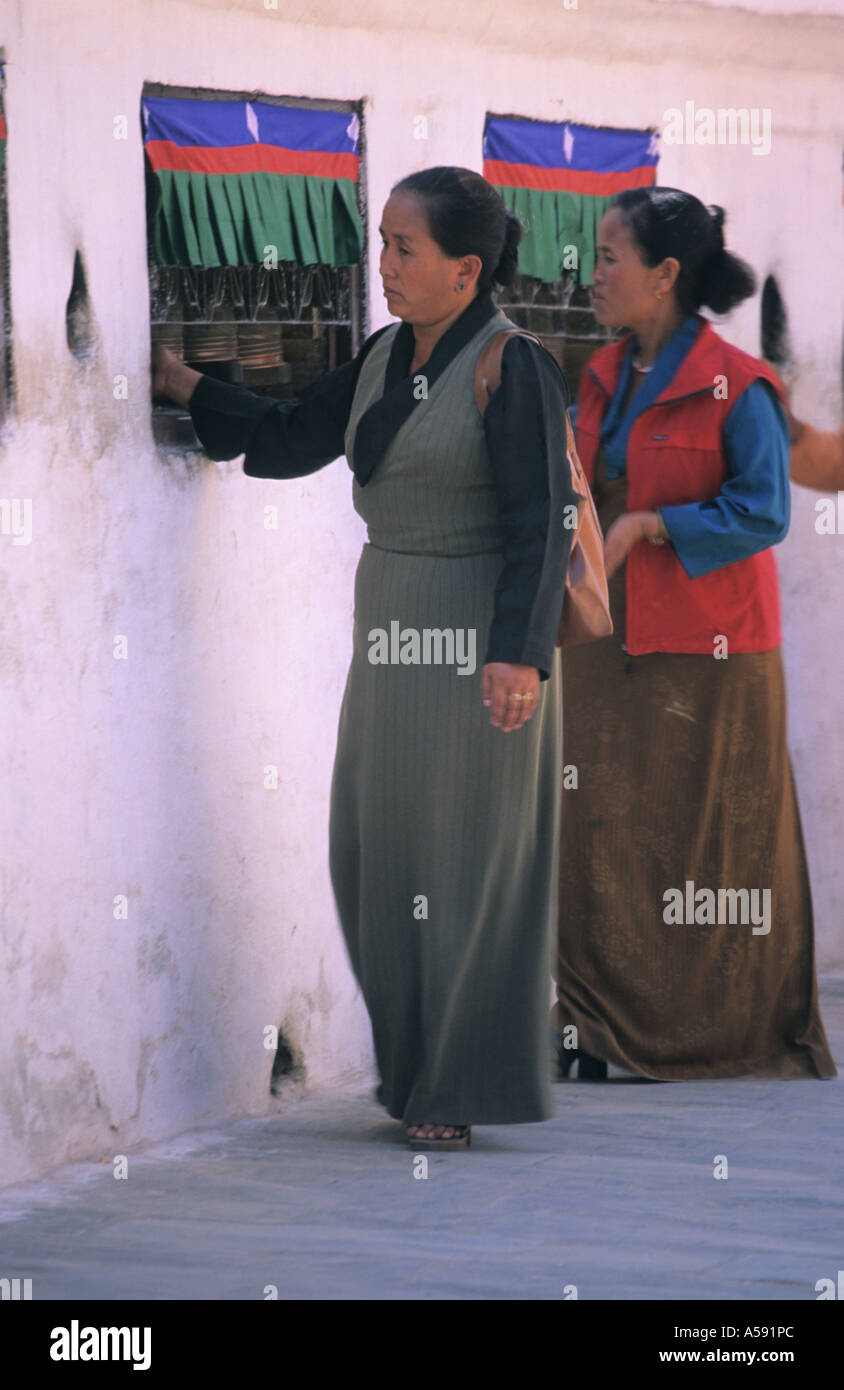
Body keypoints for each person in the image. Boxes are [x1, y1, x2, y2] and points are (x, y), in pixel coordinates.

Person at [152, 166, 578, 1148]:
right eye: (379, 242)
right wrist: (184, 385)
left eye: (403, 248)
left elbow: (541, 521)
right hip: (389, 634)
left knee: (462, 860)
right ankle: (417, 1068)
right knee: (376, 853)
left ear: (466, 270)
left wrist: (518, 656)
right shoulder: (387, 355)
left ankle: (454, 1084)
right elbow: (299, 434)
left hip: (479, 643)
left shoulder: (512, 369)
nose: (380, 265)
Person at [553, 186, 836, 1083]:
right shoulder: (600, 375)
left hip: (715, 649)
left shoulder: (738, 383)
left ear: (667, 273)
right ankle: (599, 1029)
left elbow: (764, 509)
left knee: (710, 840)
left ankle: (724, 1033)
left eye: (610, 258)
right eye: (593, 257)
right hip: (608, 639)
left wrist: (654, 527)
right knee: (603, 828)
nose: (592, 275)